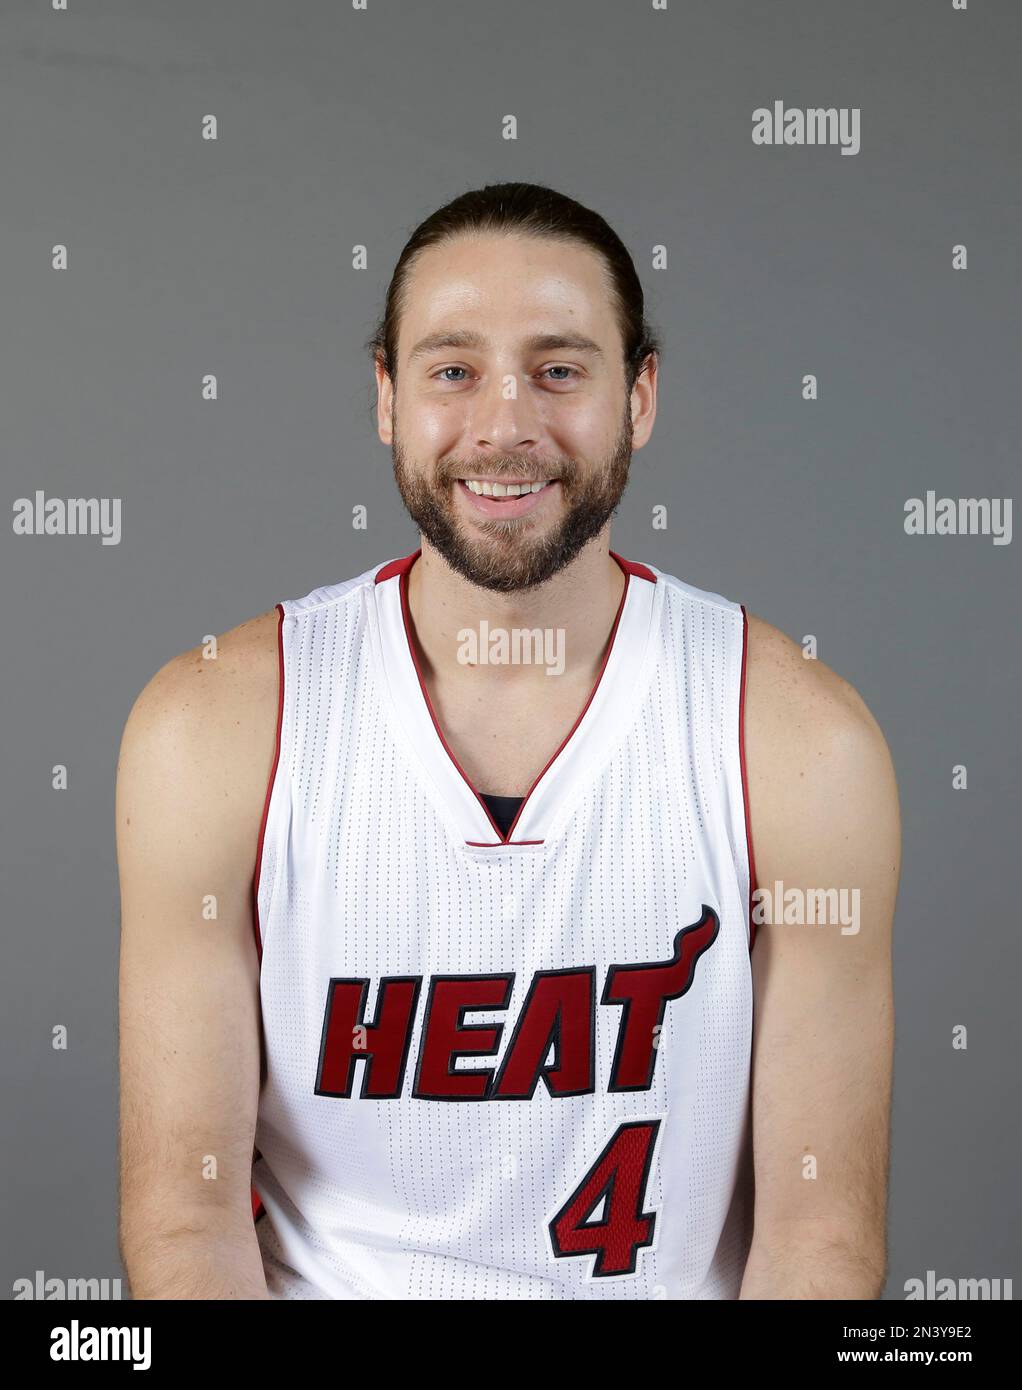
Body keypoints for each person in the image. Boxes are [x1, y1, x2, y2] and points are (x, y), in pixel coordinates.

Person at [116, 182, 900, 1299]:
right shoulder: (214, 729)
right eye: (451, 370)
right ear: (386, 397)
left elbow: (818, 1237)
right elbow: (186, 1223)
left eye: (560, 369)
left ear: (639, 396)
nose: (503, 425)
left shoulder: (796, 743)